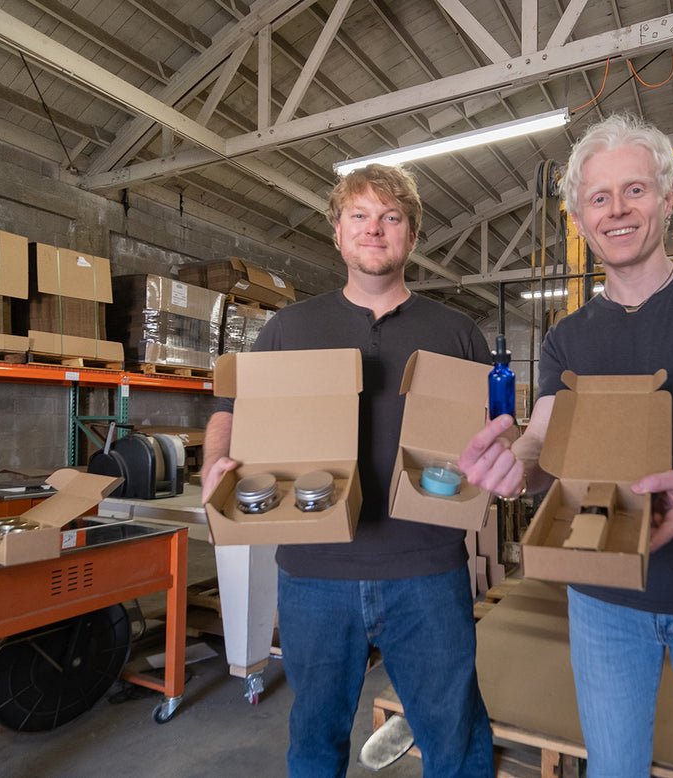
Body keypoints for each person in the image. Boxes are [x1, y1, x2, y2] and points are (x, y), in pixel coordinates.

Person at [458, 114, 673, 777]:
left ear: (666, 199)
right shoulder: (569, 338)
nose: (617, 210)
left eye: (634, 191)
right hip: (603, 603)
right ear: (580, 219)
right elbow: (540, 445)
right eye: (599, 198)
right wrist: (510, 465)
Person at [201, 163, 494, 777]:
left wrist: (506, 455)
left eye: (391, 218)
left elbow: (496, 429)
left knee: (457, 739)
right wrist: (214, 463)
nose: (374, 229)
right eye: (359, 216)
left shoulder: (456, 333)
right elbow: (232, 409)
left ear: (411, 237)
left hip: (427, 571)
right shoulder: (289, 329)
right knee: (315, 739)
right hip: (315, 576)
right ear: (337, 233)